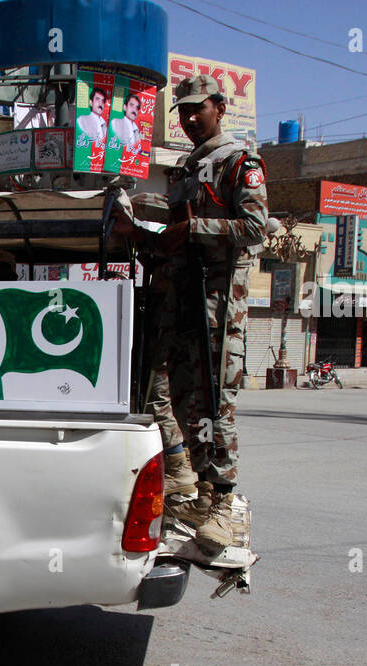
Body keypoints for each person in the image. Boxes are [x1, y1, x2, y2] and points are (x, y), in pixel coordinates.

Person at [110, 74, 268, 552]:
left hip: (215, 307)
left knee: (214, 404)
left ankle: (225, 503)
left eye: (198, 108)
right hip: (179, 303)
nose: (190, 118)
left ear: (219, 107)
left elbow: (256, 225)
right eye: (182, 111)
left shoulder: (240, 160)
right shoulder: (188, 167)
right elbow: (171, 224)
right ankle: (202, 491)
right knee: (182, 404)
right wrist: (138, 222)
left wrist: (191, 228)